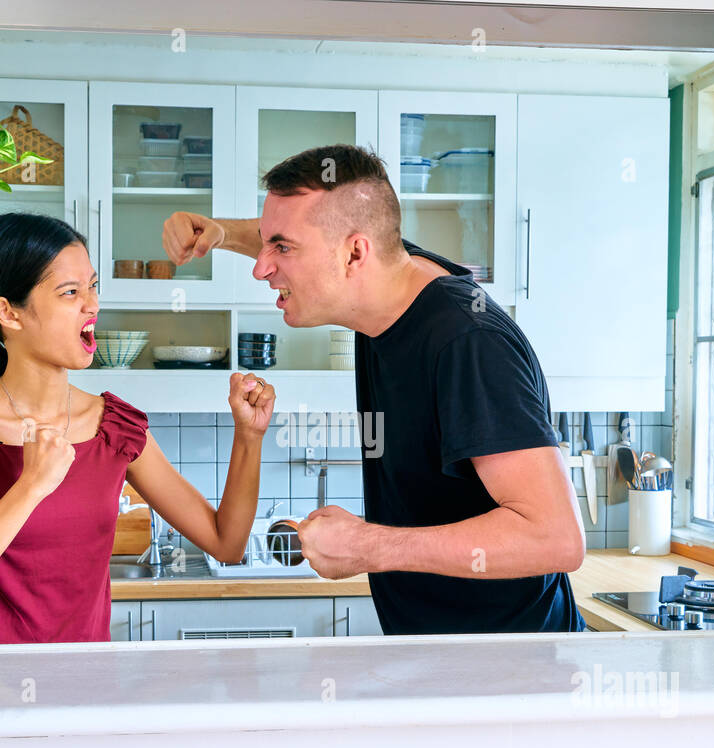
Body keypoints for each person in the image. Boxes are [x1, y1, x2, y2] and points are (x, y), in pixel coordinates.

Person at [161, 145, 585, 634]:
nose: (260, 267)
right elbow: (339, 223)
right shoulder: (388, 280)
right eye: (265, 244)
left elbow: (556, 538)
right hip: (440, 661)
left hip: (511, 674)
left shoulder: (467, 342)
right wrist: (219, 234)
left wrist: (368, 546)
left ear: (354, 254)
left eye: (281, 248)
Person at [0, 212, 275, 644]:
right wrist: (30, 487)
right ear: (9, 313)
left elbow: (226, 543)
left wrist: (249, 438)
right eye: (70, 292)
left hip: (87, 692)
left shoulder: (114, 427)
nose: (92, 304)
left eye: (93, 287)